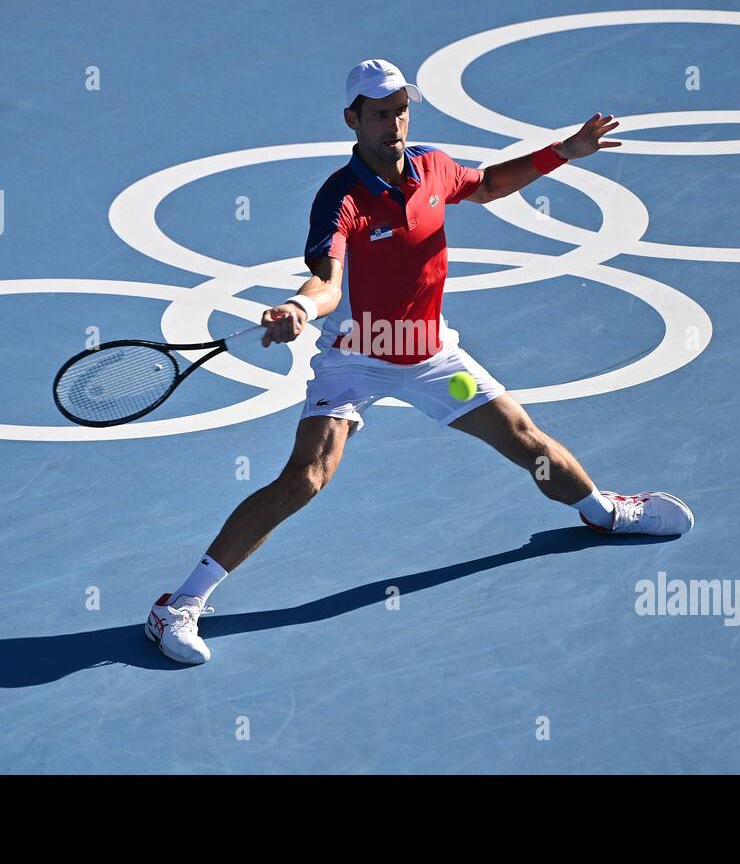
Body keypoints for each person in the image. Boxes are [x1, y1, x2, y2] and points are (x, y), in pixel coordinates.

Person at [146, 58, 694, 664]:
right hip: (357, 359)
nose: (394, 123)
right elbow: (327, 281)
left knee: (525, 440)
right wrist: (299, 308)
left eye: (401, 109)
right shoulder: (340, 197)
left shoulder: (432, 165)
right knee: (305, 478)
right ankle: (178, 606)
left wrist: (565, 150)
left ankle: (605, 512)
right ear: (352, 119)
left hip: (433, 357)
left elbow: (485, 184)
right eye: (380, 113)